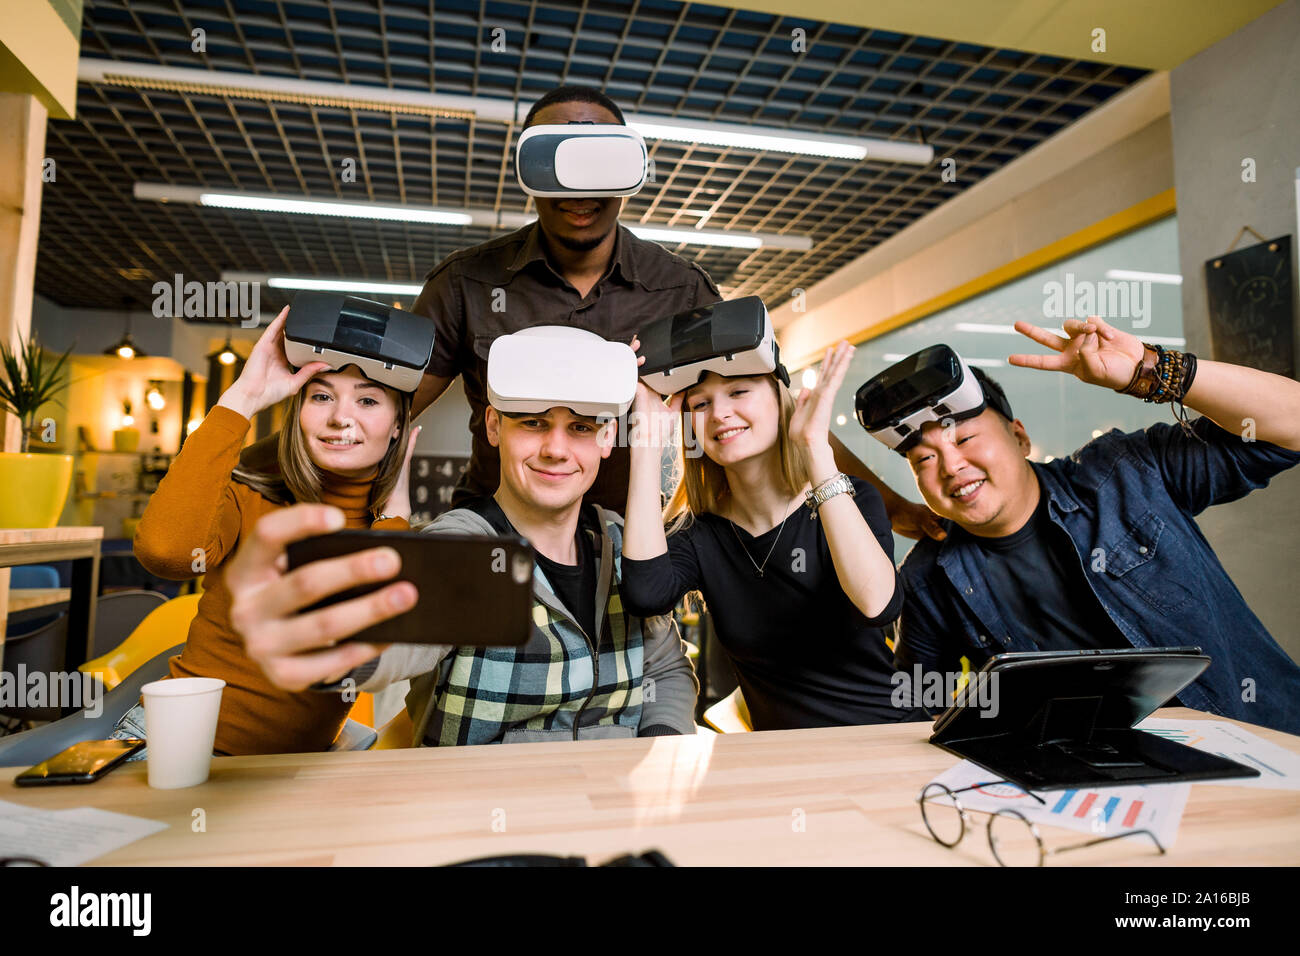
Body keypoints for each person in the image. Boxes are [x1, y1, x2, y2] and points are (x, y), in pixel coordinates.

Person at [236, 85, 942, 539]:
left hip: (629, 538)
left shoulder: (680, 288)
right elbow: (373, 413)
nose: (579, 186)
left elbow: (779, 414)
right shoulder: (467, 283)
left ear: (626, 170)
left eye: (597, 160)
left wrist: (900, 508)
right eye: (558, 161)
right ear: (531, 174)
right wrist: (234, 474)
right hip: (496, 531)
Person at [230, 328, 698, 746]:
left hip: (609, 814)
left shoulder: (624, 545)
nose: (556, 449)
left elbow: (667, 670)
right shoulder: (469, 547)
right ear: (494, 427)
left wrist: (659, 754)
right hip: (476, 821)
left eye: (580, 427)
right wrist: (322, 638)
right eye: (532, 422)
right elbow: (404, 627)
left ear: (606, 437)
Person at [888, 316, 1300, 734]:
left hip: (1265, 747)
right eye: (924, 459)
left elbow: (1294, 424)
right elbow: (914, 714)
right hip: (1094, 786)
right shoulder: (927, 580)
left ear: (1019, 437)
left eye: (963, 440)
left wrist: (1151, 370)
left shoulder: (1126, 473)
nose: (951, 466)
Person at [120, 308, 420, 756]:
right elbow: (165, 553)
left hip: (285, 773)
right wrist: (244, 397)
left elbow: (373, 644)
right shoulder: (249, 500)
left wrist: (397, 516)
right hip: (176, 747)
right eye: (321, 397)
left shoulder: (392, 534)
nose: (341, 418)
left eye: (368, 400)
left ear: (398, 426)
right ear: (297, 412)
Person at [619, 340, 927, 730]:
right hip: (785, 761)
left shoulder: (849, 499)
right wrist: (646, 443)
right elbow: (645, 595)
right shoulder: (699, 535)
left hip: (887, 737)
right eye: (700, 404)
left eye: (739, 391)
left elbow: (877, 605)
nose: (720, 414)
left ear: (780, 400)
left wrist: (815, 448)